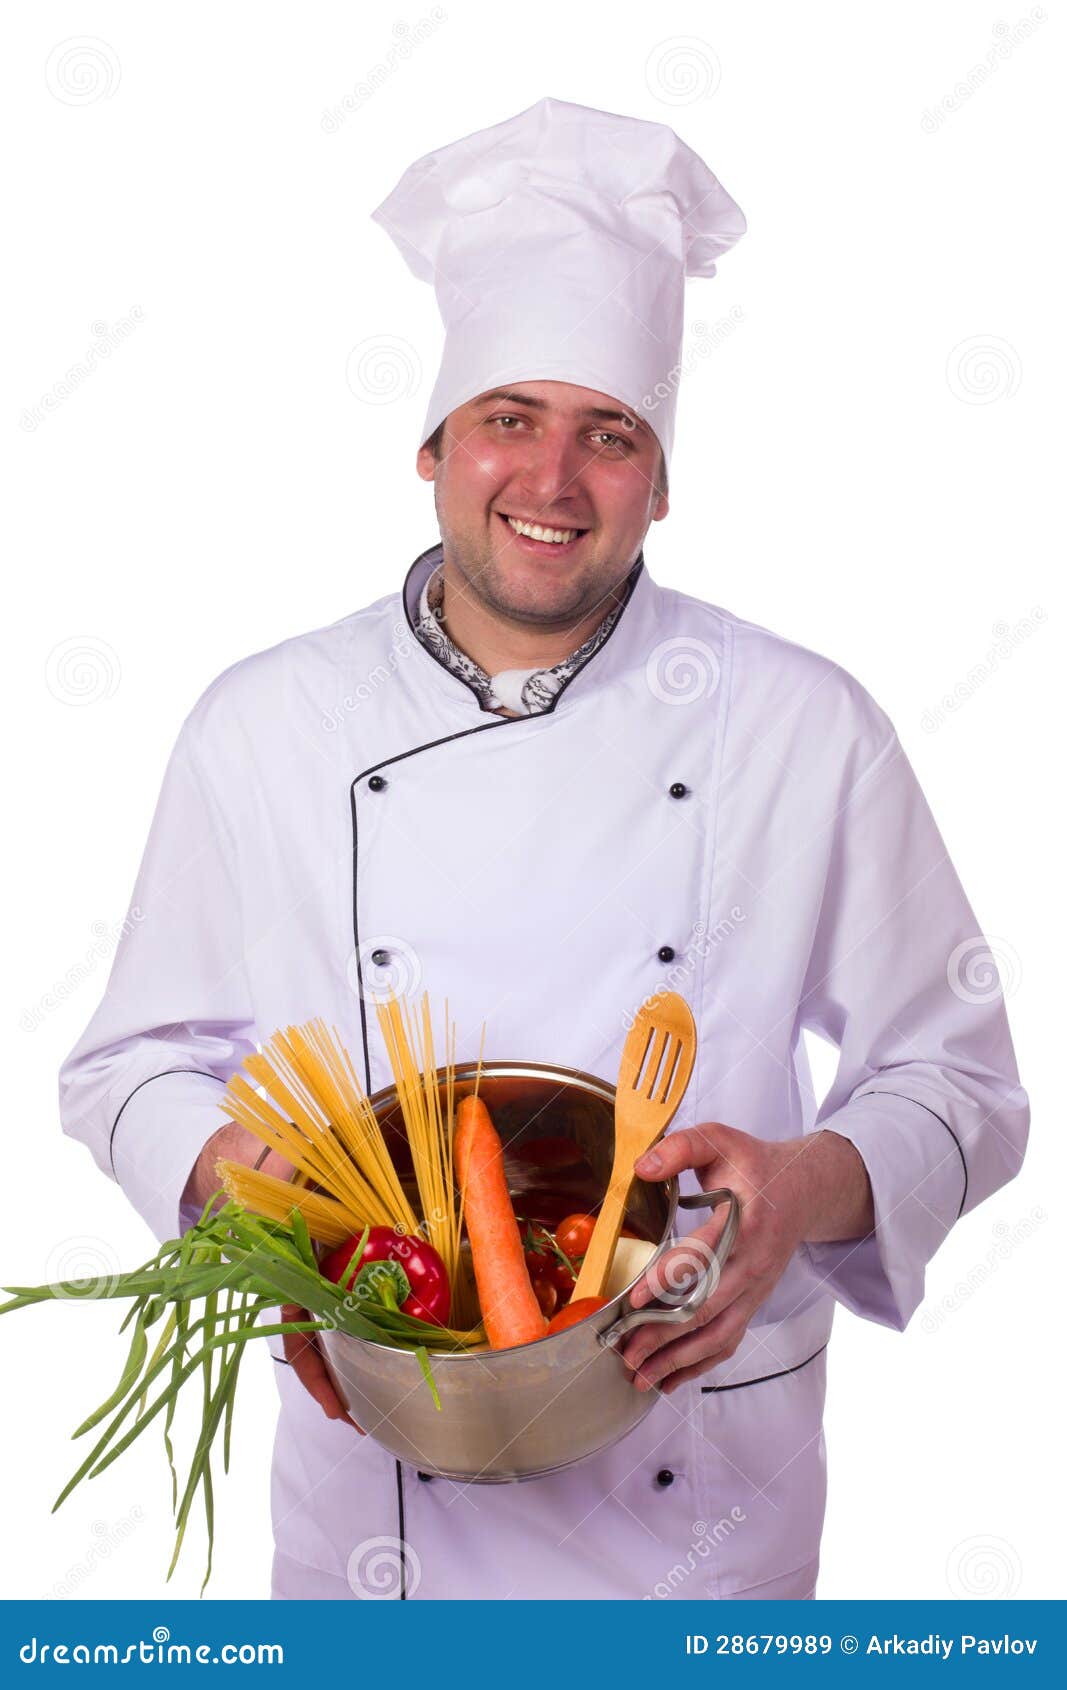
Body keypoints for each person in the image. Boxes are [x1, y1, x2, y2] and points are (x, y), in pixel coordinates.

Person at [59, 98, 1028, 1601]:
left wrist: (806, 1184)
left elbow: (960, 1081)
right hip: (374, 1506)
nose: (554, 480)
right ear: (435, 445)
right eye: (510, 417)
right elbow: (129, 1064)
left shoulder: (799, 725)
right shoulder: (264, 724)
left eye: (610, 433)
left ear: (663, 473)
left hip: (698, 1495)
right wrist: (273, 1210)